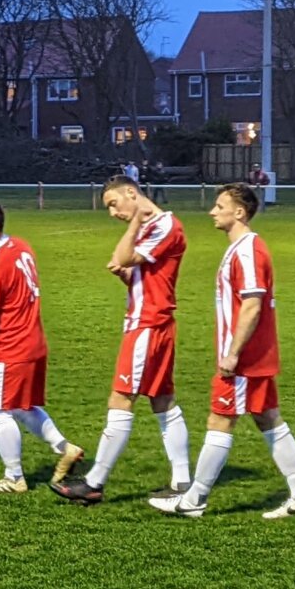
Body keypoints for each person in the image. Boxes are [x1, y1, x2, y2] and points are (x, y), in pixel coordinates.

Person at [149, 183, 295, 518]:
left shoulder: (247, 250)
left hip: (245, 359)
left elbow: (252, 305)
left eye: (219, 205)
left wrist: (233, 353)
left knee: (220, 420)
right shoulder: (242, 248)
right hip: (256, 357)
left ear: (239, 212)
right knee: (269, 420)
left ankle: (194, 500)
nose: (213, 211)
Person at [52, 175, 193, 505]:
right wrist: (125, 275)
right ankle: (183, 480)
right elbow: (135, 272)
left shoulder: (163, 225)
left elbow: (123, 256)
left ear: (133, 193)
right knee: (162, 401)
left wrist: (133, 227)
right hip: (153, 322)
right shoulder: (158, 227)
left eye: (114, 204)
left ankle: (95, 481)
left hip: (147, 325)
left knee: (121, 400)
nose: (113, 213)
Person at [0, 199, 84, 493]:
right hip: (35, 341)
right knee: (22, 405)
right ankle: (65, 447)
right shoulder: (21, 246)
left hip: (10, 346)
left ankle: (14, 477)